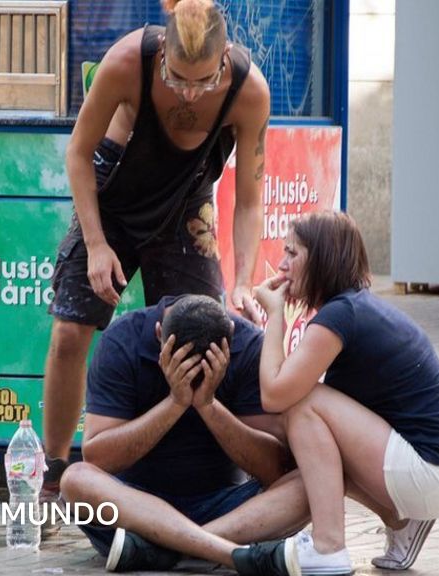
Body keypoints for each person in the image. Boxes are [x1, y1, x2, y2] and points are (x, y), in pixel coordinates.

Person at [43, 0, 270, 494]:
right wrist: (98, 245)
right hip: (113, 195)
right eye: (178, 78)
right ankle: (54, 472)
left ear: (225, 57)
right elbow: (79, 154)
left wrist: (246, 280)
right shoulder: (127, 61)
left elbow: (250, 202)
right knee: (69, 332)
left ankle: (194, 474)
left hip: (186, 205)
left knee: (204, 335)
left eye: (204, 81)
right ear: (162, 50)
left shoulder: (248, 91)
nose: (190, 92)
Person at [249, 211, 439, 573]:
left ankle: (327, 547)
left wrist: (273, 315)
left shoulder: (339, 316)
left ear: (321, 258)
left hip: (432, 472)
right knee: (313, 440)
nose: (281, 264)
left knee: (302, 404)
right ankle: (403, 524)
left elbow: (275, 395)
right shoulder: (353, 308)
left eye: (292, 253)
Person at [59, 295, 312, 576]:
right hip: (135, 510)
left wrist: (208, 406)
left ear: (230, 335)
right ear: (159, 334)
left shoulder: (249, 345)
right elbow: (97, 457)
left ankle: (167, 550)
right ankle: (228, 553)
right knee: (75, 479)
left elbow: (276, 469)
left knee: (315, 481)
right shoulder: (123, 340)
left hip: (227, 508)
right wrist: (175, 404)